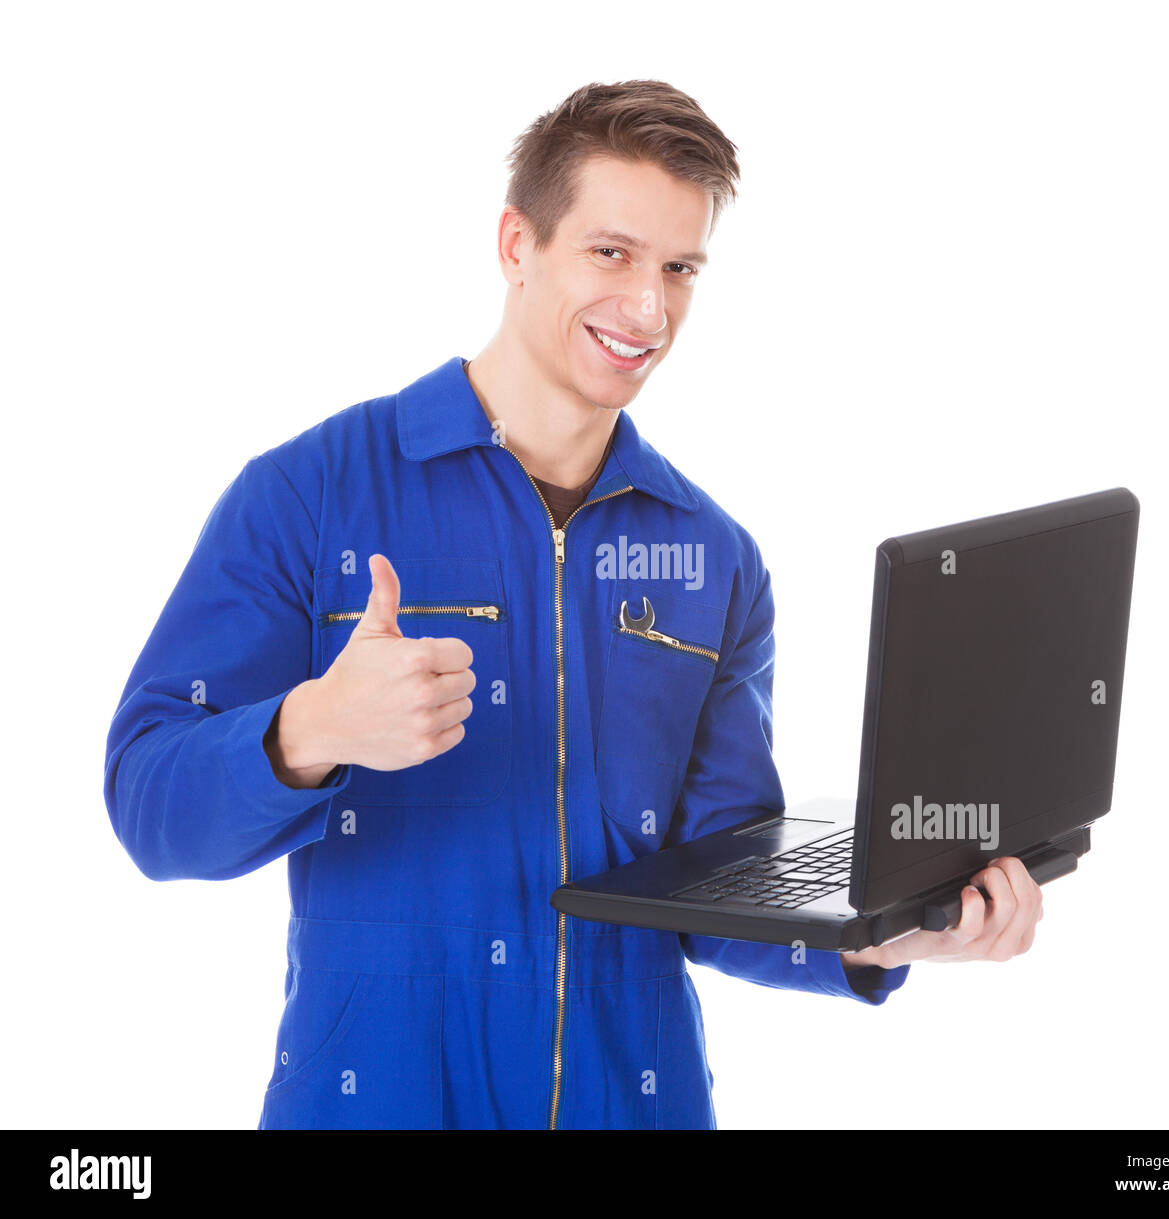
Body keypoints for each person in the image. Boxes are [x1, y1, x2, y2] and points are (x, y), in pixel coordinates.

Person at [104, 79, 1044, 1131]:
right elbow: (148, 802)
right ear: (517, 244)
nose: (649, 307)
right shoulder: (312, 493)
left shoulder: (712, 553)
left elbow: (711, 882)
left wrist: (878, 935)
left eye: (679, 267)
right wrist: (308, 730)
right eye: (611, 253)